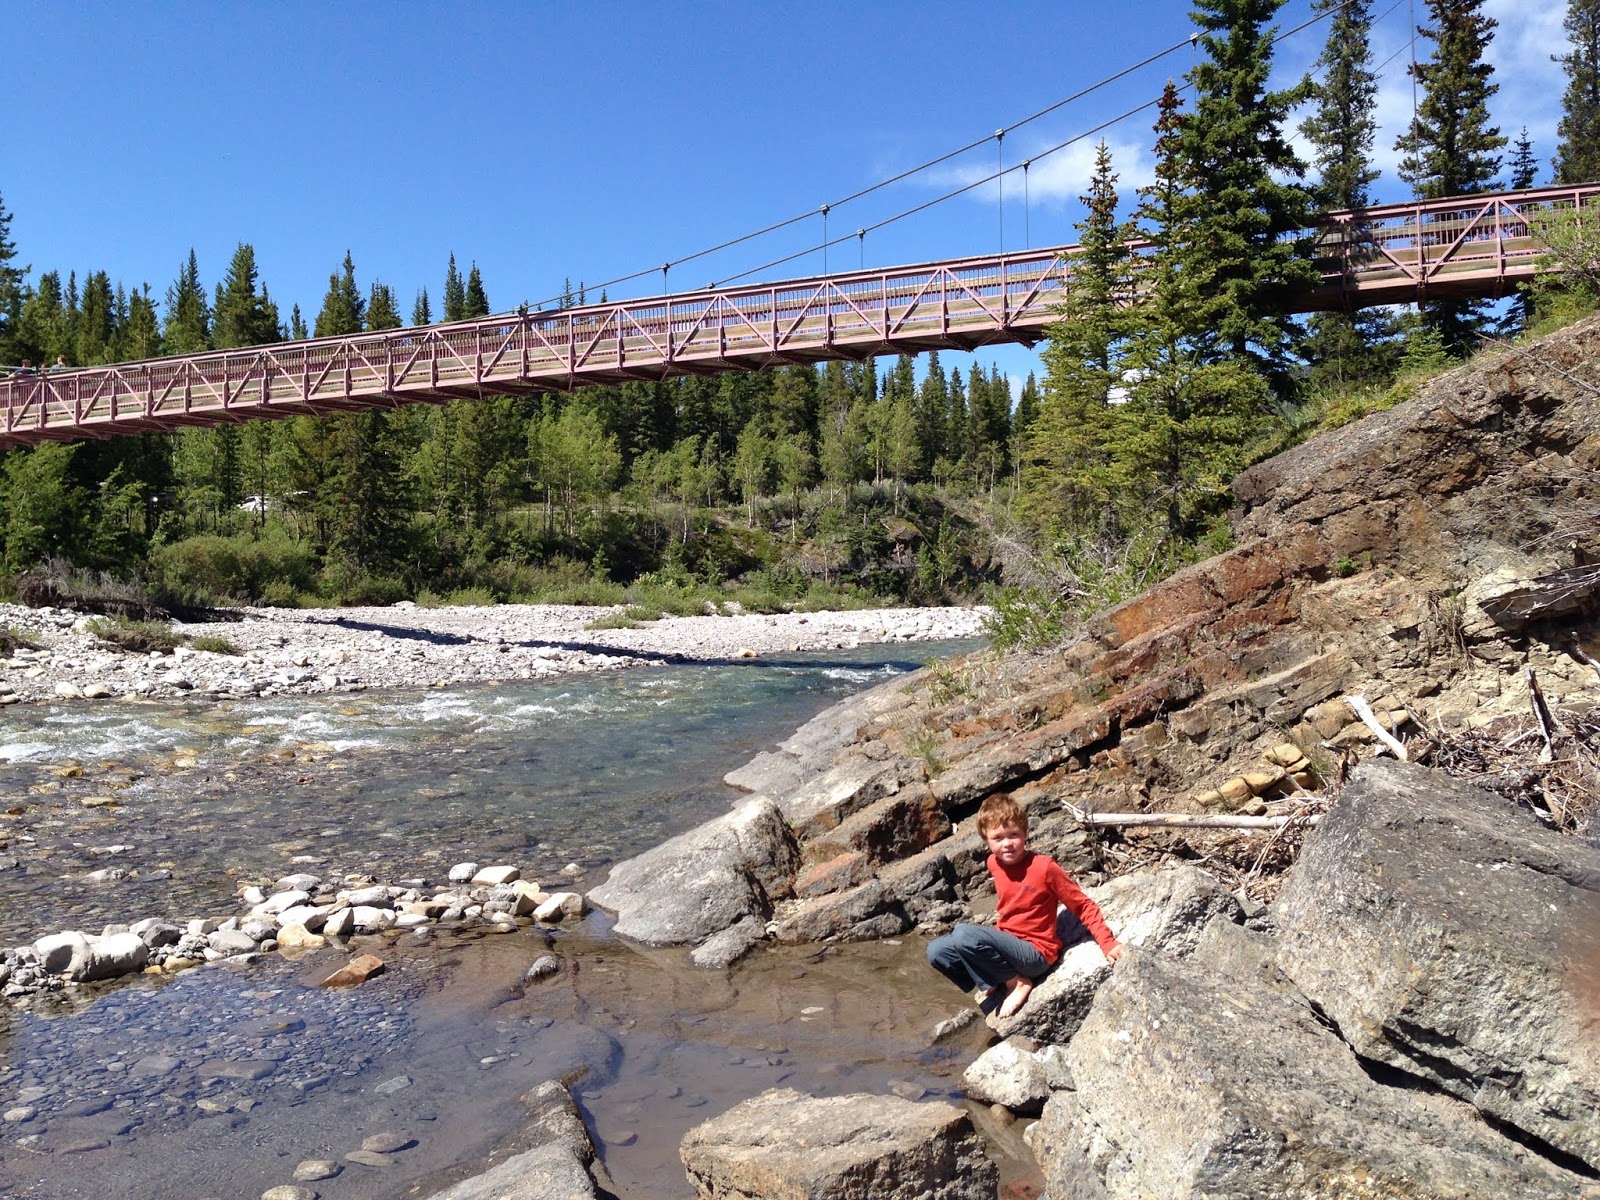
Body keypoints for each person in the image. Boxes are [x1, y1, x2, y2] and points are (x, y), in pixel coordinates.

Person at [928, 794, 1123, 1020]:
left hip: (1036, 954)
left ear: (1025, 833)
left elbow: (1082, 905)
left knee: (964, 934)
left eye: (1014, 835)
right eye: (998, 838)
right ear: (986, 840)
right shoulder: (994, 863)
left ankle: (1017, 983)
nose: (1007, 844)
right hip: (1009, 943)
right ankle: (989, 980)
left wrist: (1107, 943)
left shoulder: (1044, 868)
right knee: (937, 951)